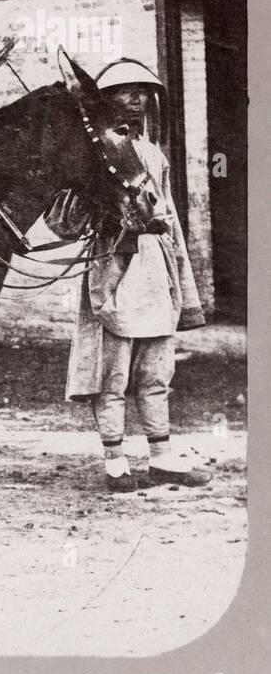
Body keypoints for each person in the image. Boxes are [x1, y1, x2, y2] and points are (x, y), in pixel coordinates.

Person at [45, 58, 210, 492]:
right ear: (104, 100)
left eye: (143, 91)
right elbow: (62, 221)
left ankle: (162, 457)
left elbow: (170, 218)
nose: (136, 99)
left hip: (155, 265)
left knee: (157, 372)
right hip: (114, 264)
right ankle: (116, 463)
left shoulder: (153, 155)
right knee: (112, 374)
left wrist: (181, 280)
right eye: (125, 91)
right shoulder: (91, 154)